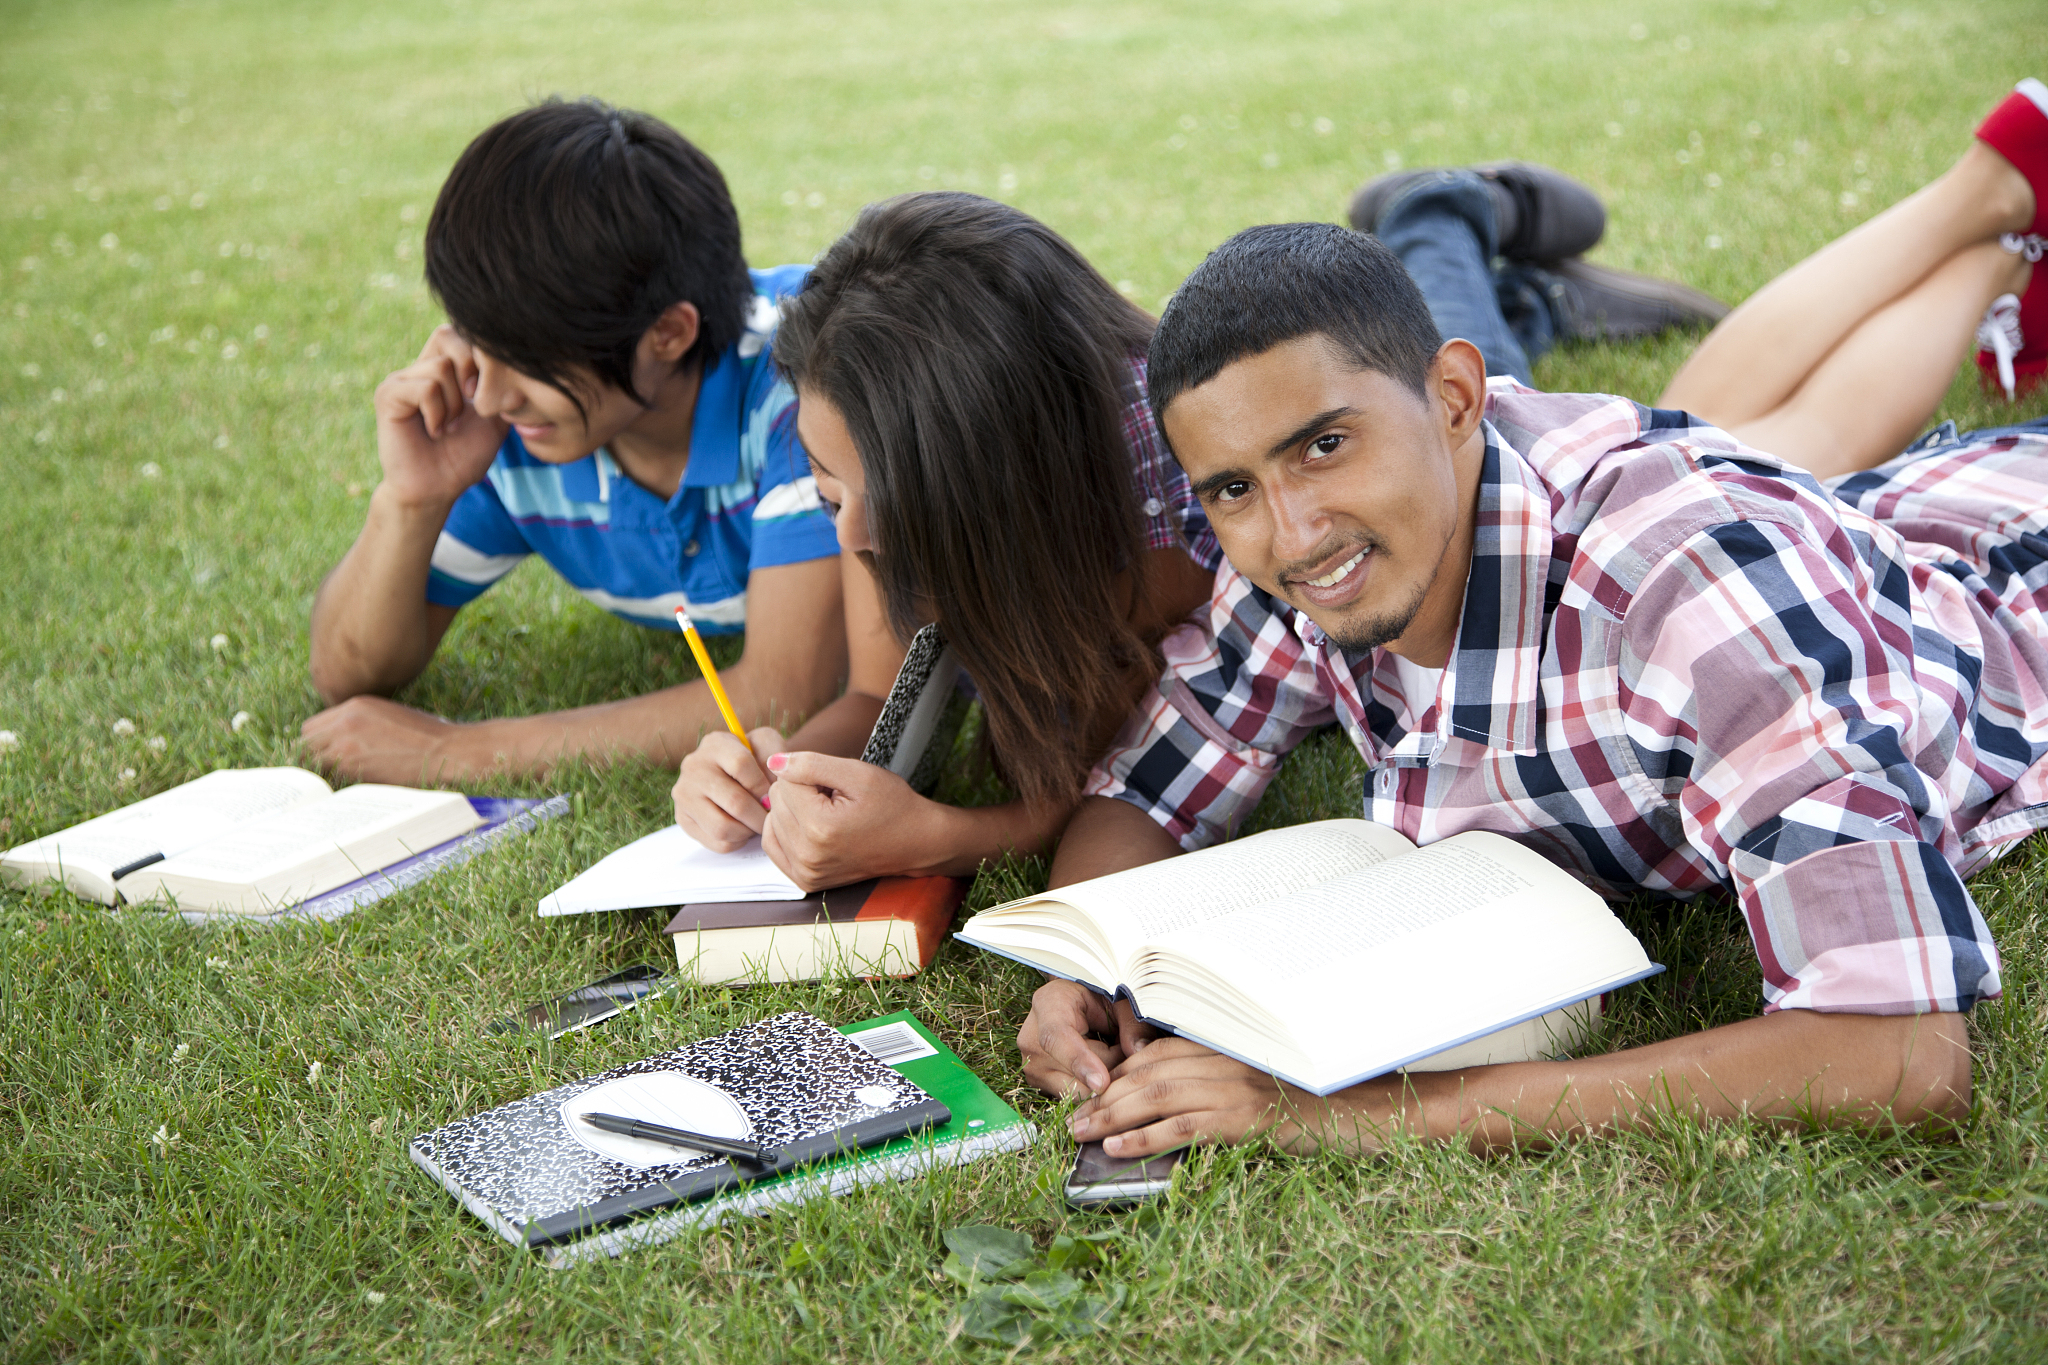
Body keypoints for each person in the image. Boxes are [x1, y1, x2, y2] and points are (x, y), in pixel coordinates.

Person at [1021, 81, 2048, 1161]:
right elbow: (1147, 786)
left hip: (2005, 565)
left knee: (1763, 450)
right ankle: (2007, 257)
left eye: (1324, 445)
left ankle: (1998, 223)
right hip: (1876, 517)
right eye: (1230, 488)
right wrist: (1086, 962)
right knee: (1752, 425)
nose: (1289, 532)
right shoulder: (1297, 556)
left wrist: (1355, 1118)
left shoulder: (1696, 603)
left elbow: (1896, 1049)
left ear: (1457, 398)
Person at [669, 193, 1217, 888]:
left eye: (894, 507)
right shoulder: (871, 424)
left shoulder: (1157, 503)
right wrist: (766, 778)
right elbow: (876, 692)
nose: (849, 534)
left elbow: (1107, 786)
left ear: (1004, 487)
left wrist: (932, 839)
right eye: (827, 486)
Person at [302, 100, 845, 783]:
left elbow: (784, 693)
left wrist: (454, 751)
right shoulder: (503, 418)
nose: (491, 395)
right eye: (476, 339)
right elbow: (346, 671)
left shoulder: (808, 382)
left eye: (527, 359)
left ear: (669, 334)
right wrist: (411, 498)